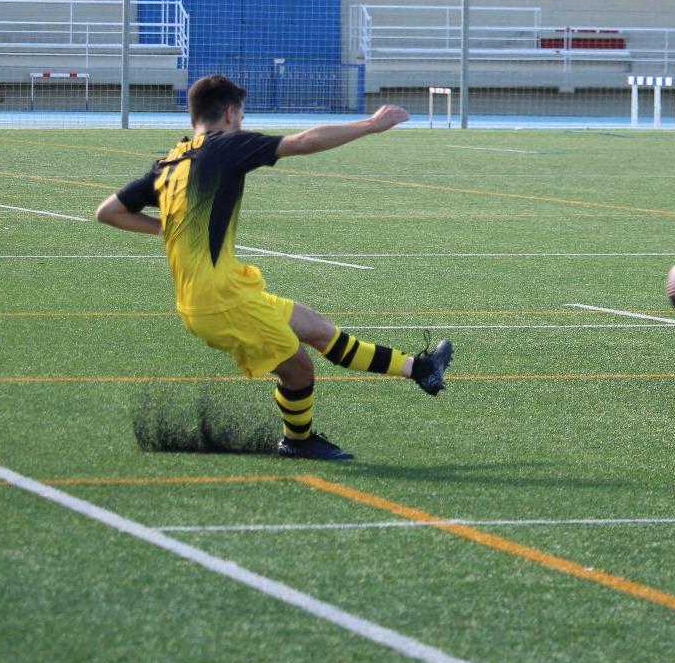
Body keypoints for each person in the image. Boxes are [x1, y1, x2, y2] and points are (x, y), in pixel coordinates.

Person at [95, 74, 453, 461]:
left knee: (315, 328)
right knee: (298, 369)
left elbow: (109, 212)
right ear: (231, 113)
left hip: (222, 291)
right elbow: (302, 142)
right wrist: (370, 124)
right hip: (220, 301)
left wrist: (166, 226)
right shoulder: (227, 145)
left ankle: (421, 369)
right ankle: (297, 440)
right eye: (242, 115)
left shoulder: (170, 163)